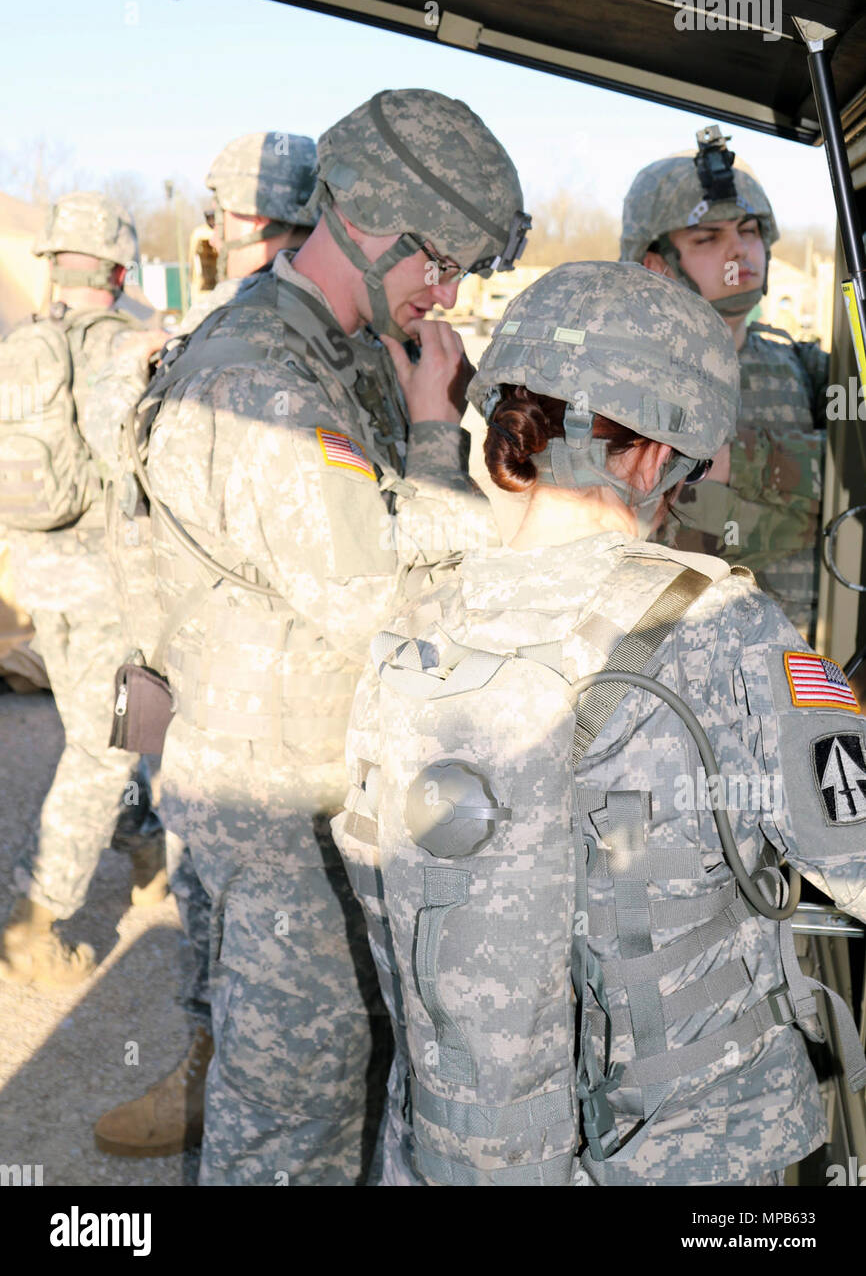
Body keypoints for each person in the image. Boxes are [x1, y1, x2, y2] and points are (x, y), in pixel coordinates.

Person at [334, 260, 866, 1186]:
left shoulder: (416, 626)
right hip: (686, 1163)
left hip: (448, 1153)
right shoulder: (719, 627)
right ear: (663, 454)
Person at [98, 88, 529, 1185]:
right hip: (274, 792)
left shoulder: (330, 347)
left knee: (330, 1067)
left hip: (308, 762)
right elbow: (385, 596)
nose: (448, 294)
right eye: (440, 262)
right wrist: (438, 437)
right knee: (293, 1099)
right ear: (374, 224)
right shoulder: (263, 382)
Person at [90, 131, 318, 1161]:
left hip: (230, 679)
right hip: (188, 655)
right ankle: (217, 1067)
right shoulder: (274, 331)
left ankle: (215, 1075)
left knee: (220, 891)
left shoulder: (234, 333)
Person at [0, 192, 167, 991]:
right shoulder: (123, 348)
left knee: (107, 720)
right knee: (104, 746)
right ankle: (37, 923)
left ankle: (145, 842)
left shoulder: (29, 342)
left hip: (41, 579)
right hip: (107, 582)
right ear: (120, 269)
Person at [620, 125, 828, 644]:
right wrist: (804, 493)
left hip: (810, 671)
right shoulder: (618, 380)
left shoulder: (801, 364)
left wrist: (738, 464)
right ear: (656, 265)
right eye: (708, 238)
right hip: (683, 685)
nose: (741, 251)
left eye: (750, 229)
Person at [178, 131, 317, 335]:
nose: (215, 240)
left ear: (254, 218)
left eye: (216, 218)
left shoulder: (225, 309)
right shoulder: (359, 298)